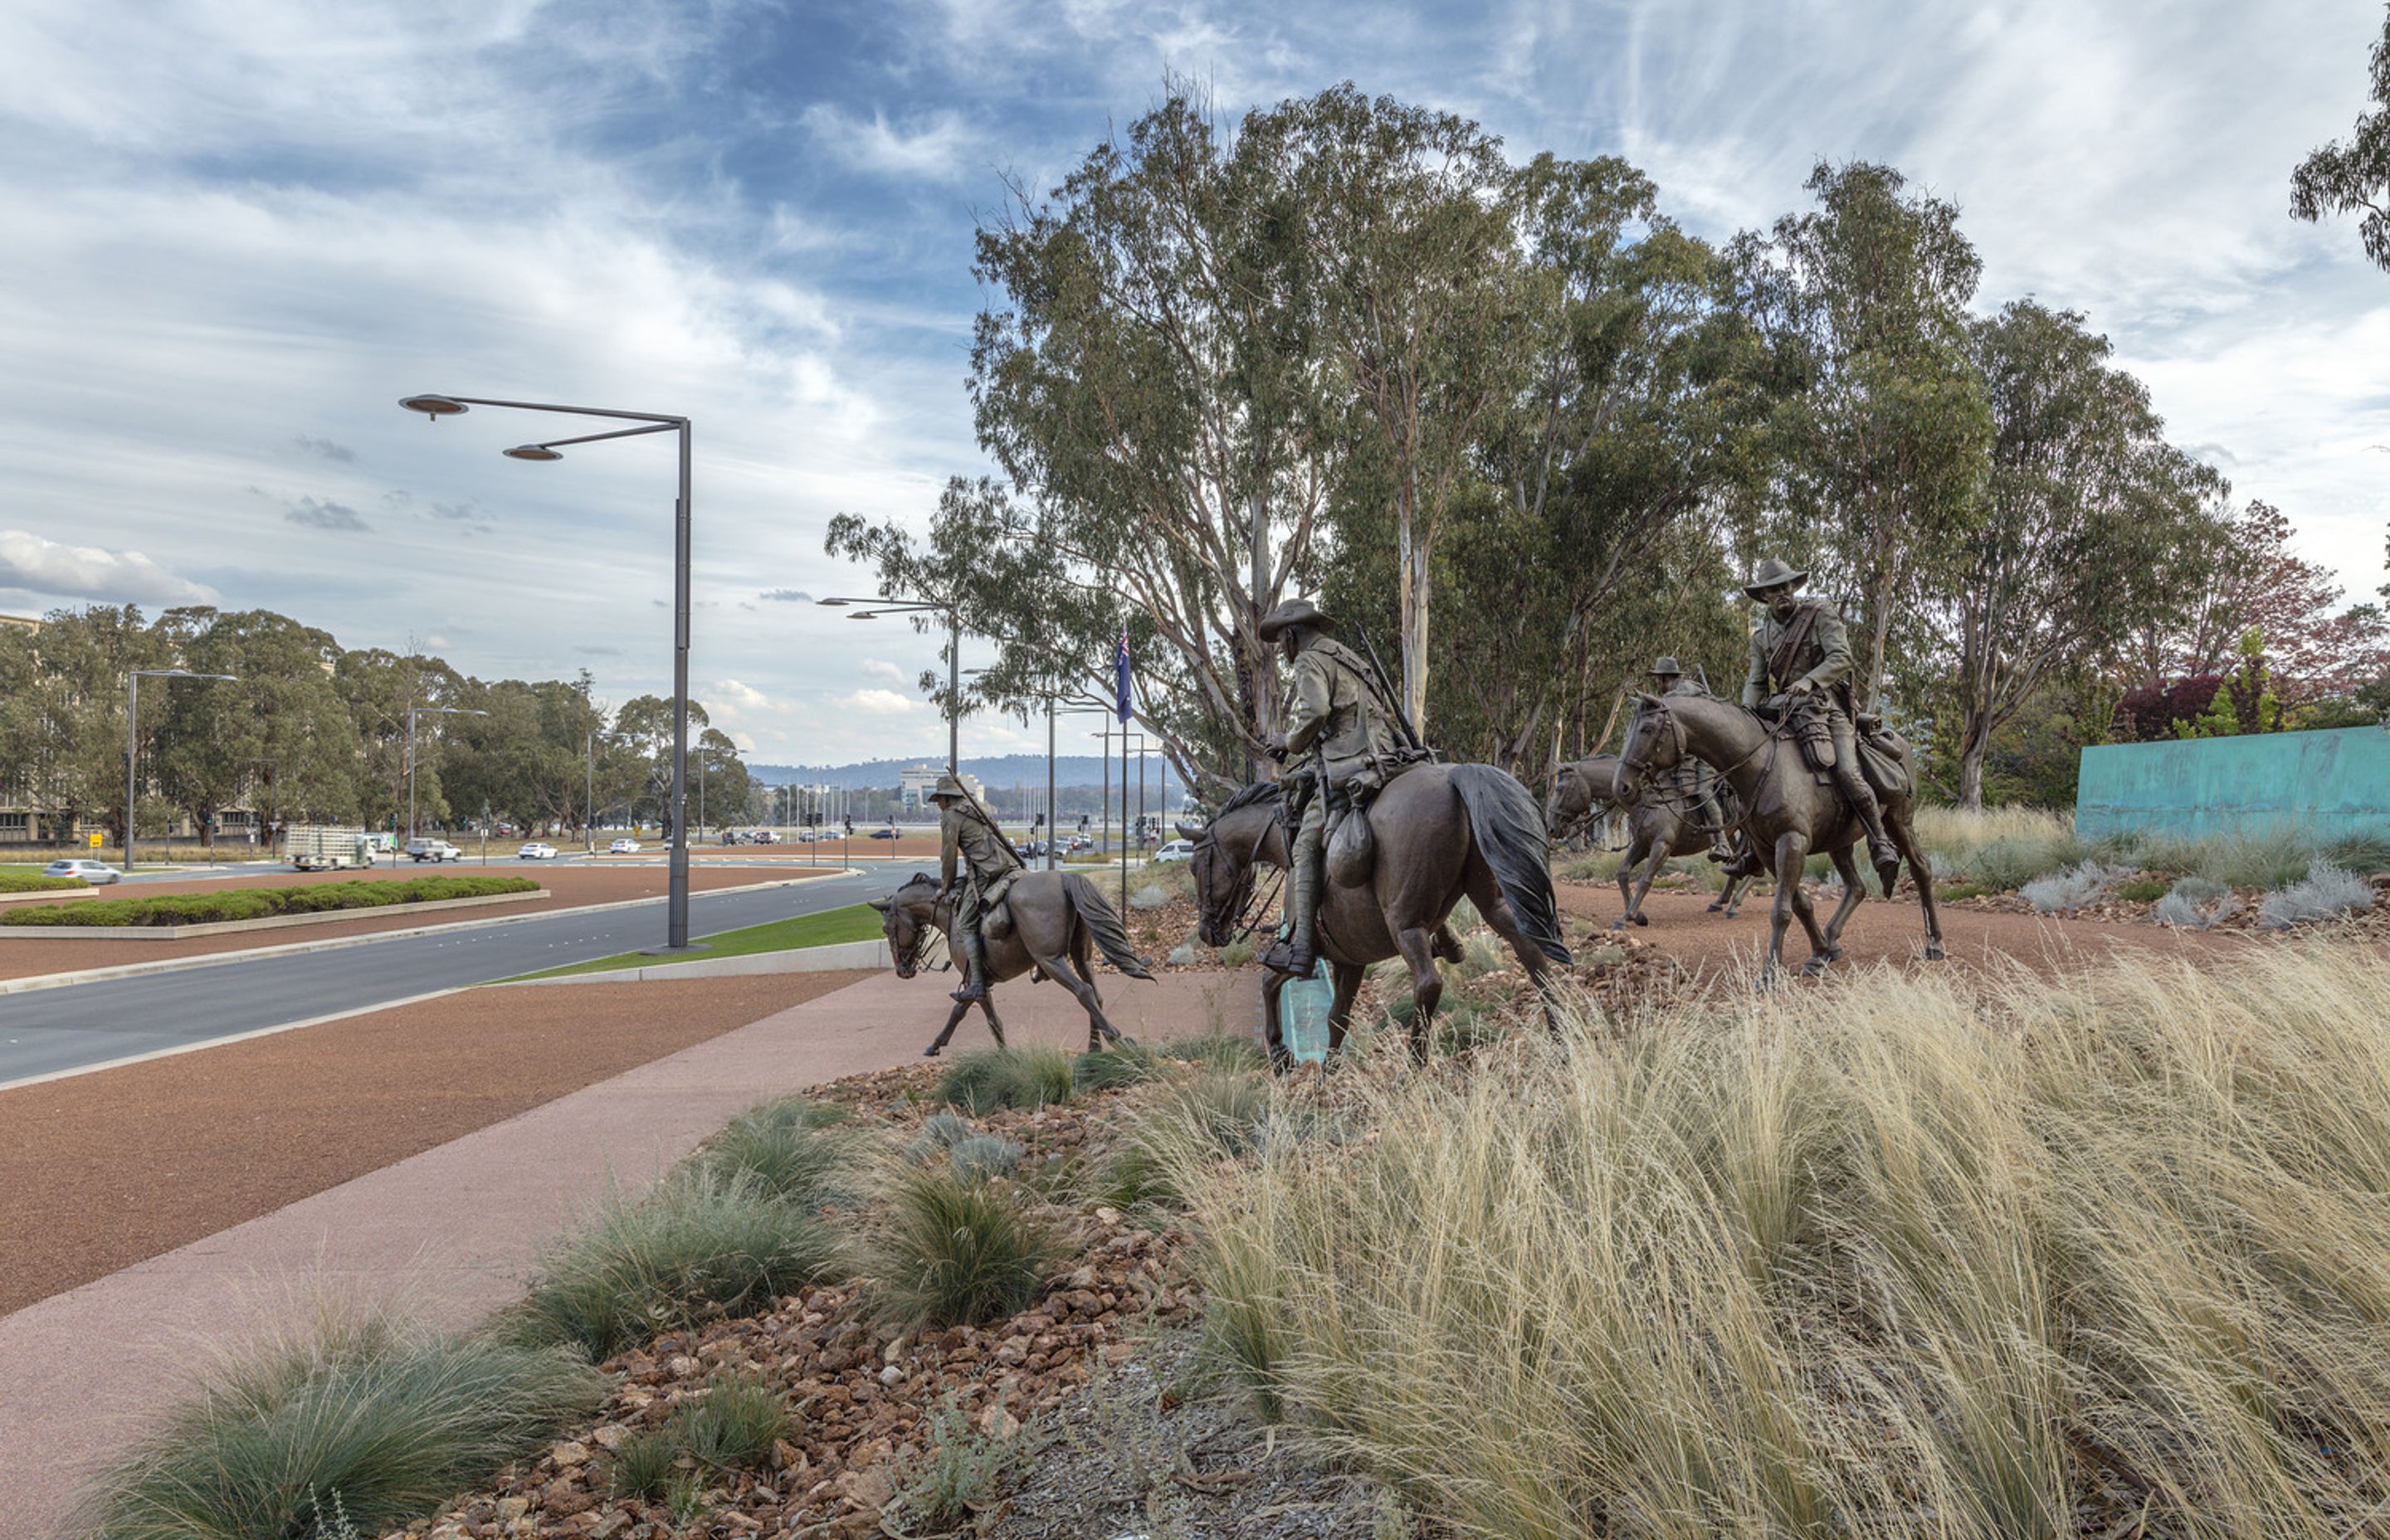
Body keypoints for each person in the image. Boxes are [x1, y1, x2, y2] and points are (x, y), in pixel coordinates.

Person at [1255, 598, 1404, 977]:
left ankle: (1302, 947)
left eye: (1282, 642)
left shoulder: (1309, 660)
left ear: (1292, 635)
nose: (1284, 652)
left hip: (1349, 762)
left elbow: (1316, 712)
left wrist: (1289, 742)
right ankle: (1443, 934)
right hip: (1388, 755)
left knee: (1305, 847)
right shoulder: (1350, 657)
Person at [1738, 559, 1901, 896]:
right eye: (1774, 589)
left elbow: (1841, 657)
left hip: (1827, 710)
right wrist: (1746, 712)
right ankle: (1749, 849)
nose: (1782, 593)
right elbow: (1756, 682)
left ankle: (1880, 841)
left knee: (1846, 770)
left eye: (1786, 586)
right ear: (1765, 595)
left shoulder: (1819, 615)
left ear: (1793, 588)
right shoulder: (1761, 637)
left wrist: (1810, 682)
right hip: (1784, 712)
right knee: (1748, 770)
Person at [928, 771, 1022, 1003]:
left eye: (939, 799)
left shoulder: (950, 815)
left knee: (965, 925)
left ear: (947, 799)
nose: (938, 804)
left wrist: (945, 887)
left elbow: (948, 856)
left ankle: (978, 984)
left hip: (987, 874)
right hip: (1009, 867)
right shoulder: (979, 810)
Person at [1645, 657, 1735, 864]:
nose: (1656, 682)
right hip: (1692, 753)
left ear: (1664, 678)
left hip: (1708, 753)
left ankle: (1721, 842)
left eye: (1658, 678)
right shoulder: (1672, 695)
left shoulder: (1681, 692)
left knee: (1702, 790)